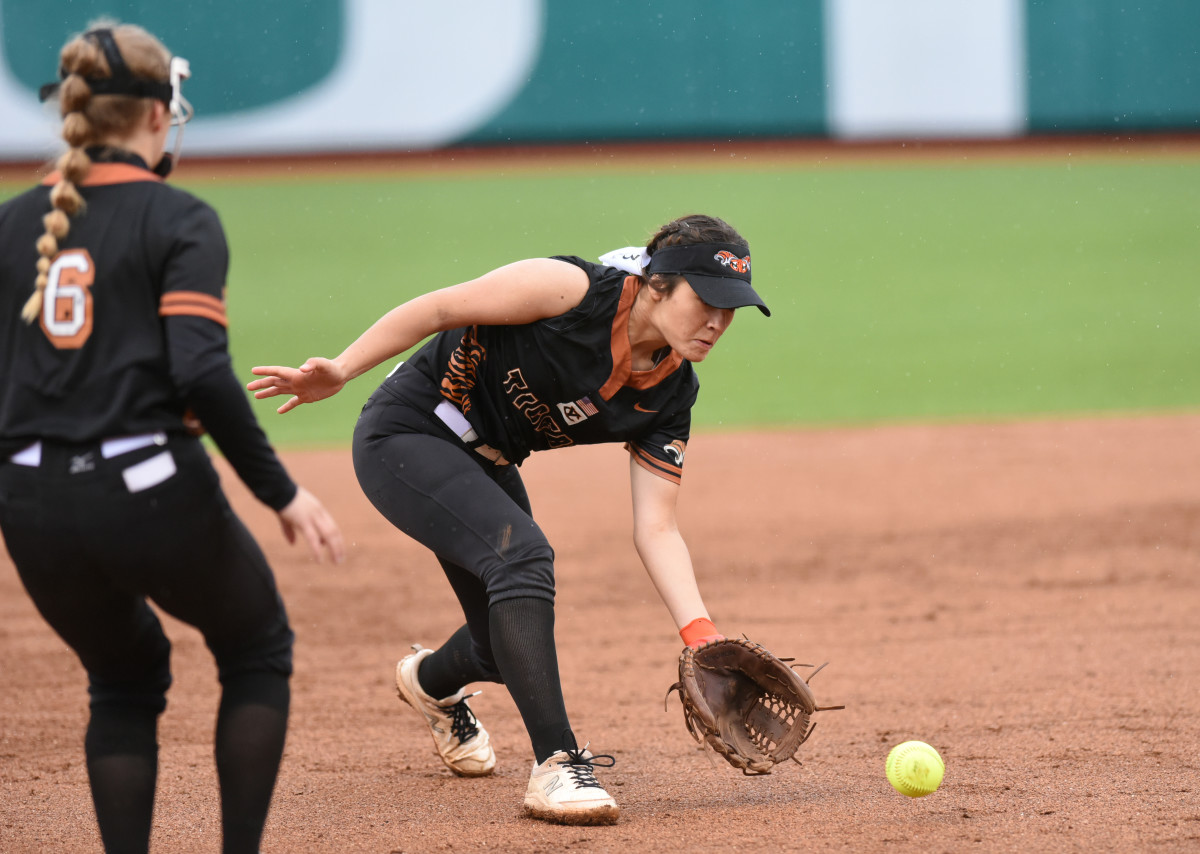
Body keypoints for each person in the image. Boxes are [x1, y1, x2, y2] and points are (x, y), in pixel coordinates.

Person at [248, 213, 769, 825]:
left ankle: (430, 683)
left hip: (486, 462)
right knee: (523, 556)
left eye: (731, 309)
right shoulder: (572, 290)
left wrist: (701, 635)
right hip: (408, 431)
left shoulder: (671, 394)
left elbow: (657, 526)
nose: (718, 322)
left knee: (501, 648)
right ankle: (557, 764)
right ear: (659, 284)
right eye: (707, 300)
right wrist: (340, 368)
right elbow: (442, 308)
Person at [0, 22, 345, 854]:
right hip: (148, 488)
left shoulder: (11, 224)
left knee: (121, 681)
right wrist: (281, 491)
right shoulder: (179, 217)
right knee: (256, 647)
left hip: (31, 502)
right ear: (158, 114)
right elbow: (200, 374)